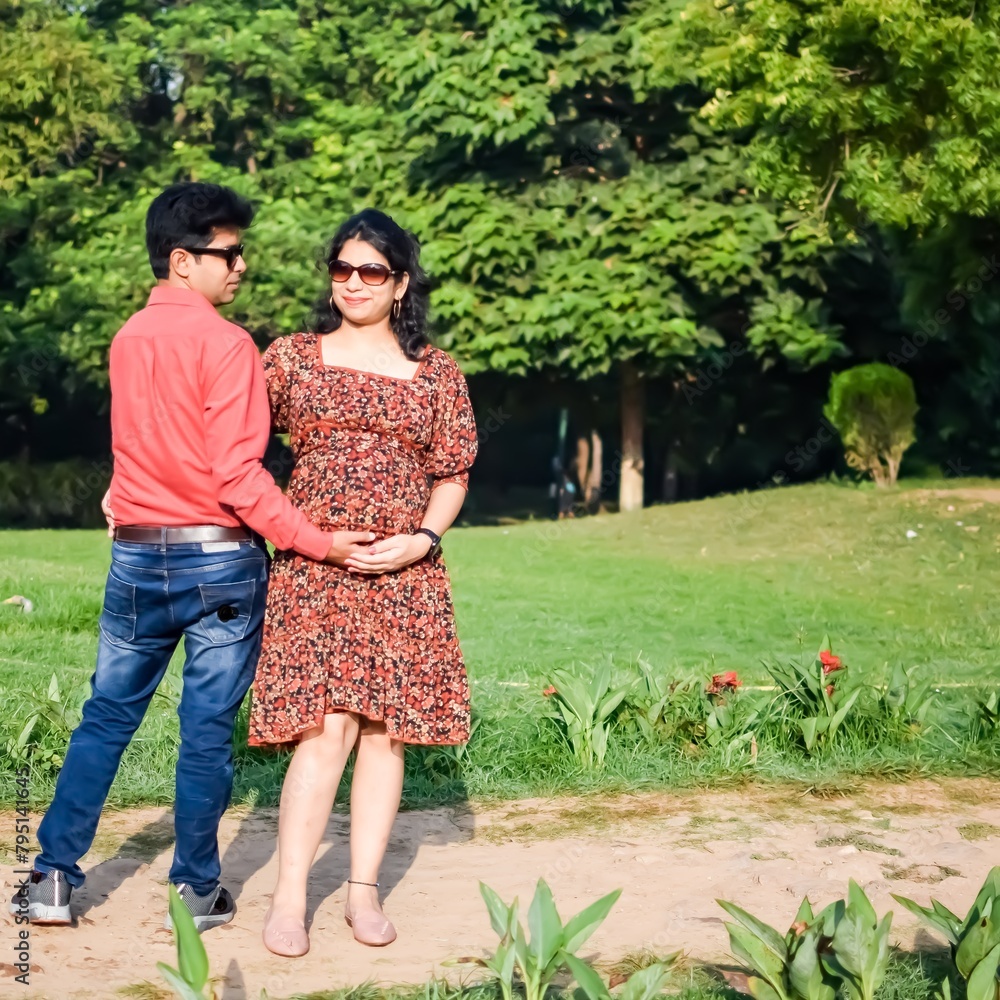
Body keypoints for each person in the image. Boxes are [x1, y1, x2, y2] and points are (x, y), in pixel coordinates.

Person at [8, 182, 370, 932]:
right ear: (182, 260)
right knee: (205, 729)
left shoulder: (128, 338)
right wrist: (319, 542)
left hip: (138, 559)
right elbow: (237, 475)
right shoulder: (228, 344)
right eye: (228, 254)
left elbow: (137, 448)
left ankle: (50, 881)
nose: (240, 267)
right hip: (219, 564)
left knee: (106, 717)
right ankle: (196, 891)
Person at [250, 209, 478, 958]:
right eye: (342, 269)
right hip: (317, 567)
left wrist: (422, 539)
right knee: (325, 729)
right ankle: (289, 900)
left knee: (385, 733)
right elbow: (237, 449)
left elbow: (453, 471)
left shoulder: (437, 372)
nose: (353, 282)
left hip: (404, 572)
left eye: (371, 271)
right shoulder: (291, 358)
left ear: (401, 283)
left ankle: (362, 892)